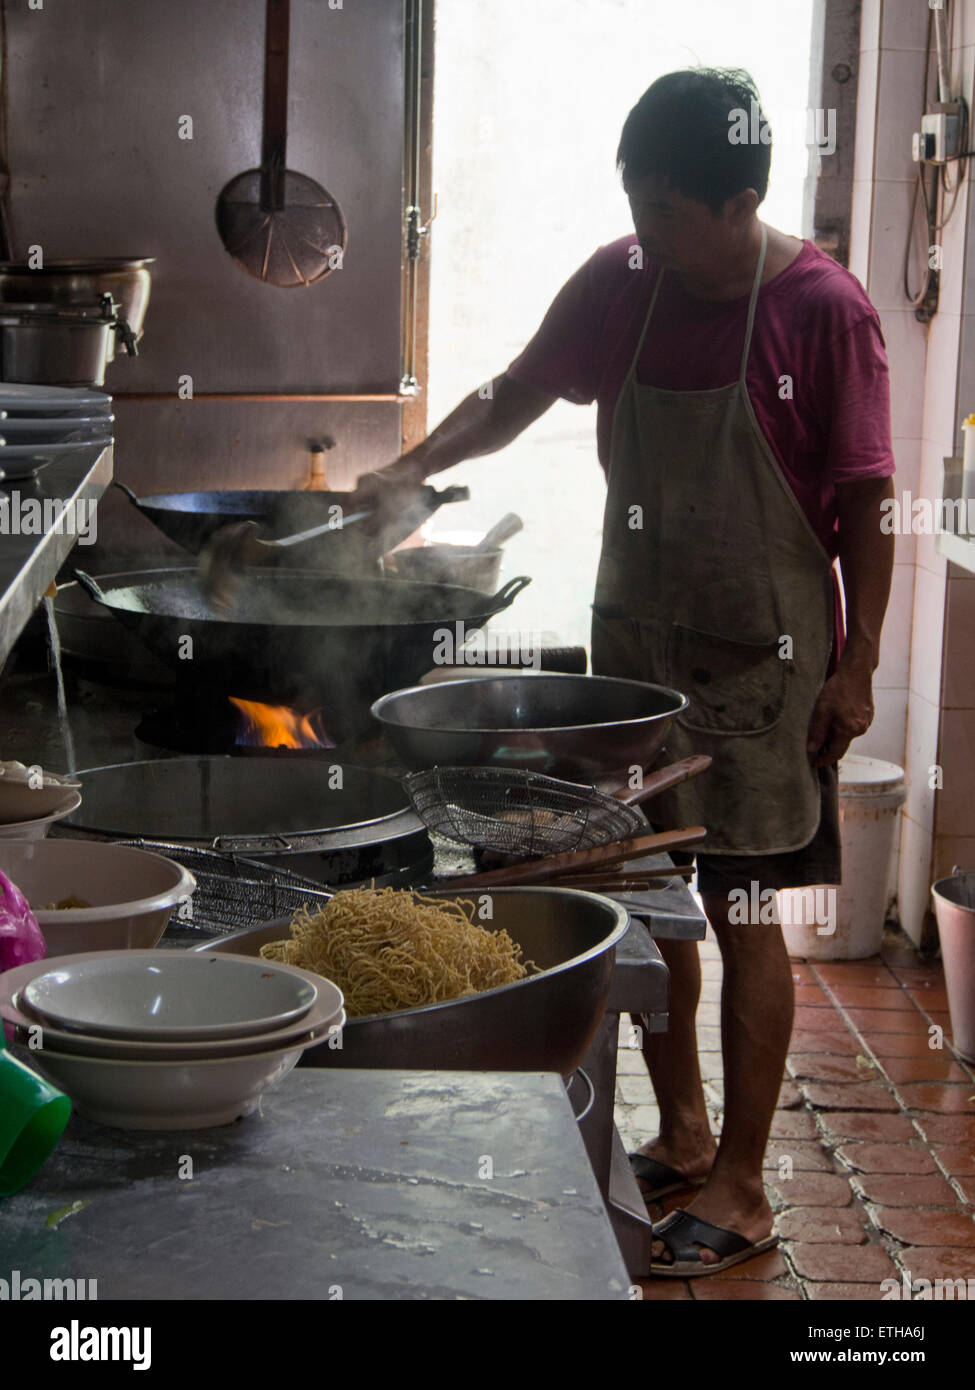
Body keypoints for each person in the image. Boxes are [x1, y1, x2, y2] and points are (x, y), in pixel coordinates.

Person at [354, 67, 895, 1277]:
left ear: (741, 196)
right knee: (662, 904)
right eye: (635, 206)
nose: (643, 235)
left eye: (667, 215)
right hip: (638, 661)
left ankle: (748, 1183)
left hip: (767, 677)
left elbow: (869, 506)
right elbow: (518, 392)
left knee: (752, 917)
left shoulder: (824, 310)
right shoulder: (627, 280)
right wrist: (409, 476)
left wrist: (856, 670)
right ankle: (686, 1129)